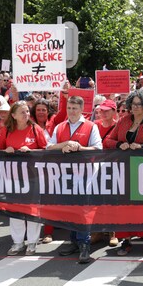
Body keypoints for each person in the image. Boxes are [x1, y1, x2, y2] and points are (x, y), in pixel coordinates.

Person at [105, 90, 143, 257]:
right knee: (124, 206)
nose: (135, 107)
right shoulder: (123, 121)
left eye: (139, 104)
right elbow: (107, 141)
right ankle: (126, 240)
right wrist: (119, 144)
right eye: (133, 104)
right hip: (124, 170)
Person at [46, 95, 103, 264]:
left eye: (75, 108)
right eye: (69, 108)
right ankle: (74, 242)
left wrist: (80, 147)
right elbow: (49, 146)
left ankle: (84, 244)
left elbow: (98, 149)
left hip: (85, 174)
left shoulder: (91, 126)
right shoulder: (60, 127)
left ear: (82, 109)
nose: (71, 111)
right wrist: (64, 144)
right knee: (70, 209)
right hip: (65, 174)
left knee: (82, 210)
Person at [0, 101, 48, 255]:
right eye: (22, 112)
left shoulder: (35, 129)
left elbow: (46, 151)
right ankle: (18, 242)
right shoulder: (6, 130)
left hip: (33, 176)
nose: (26, 114)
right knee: (15, 210)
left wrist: (32, 151)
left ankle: (32, 242)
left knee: (32, 209)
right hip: (13, 176)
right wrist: (6, 151)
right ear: (13, 115)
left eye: (27, 111)